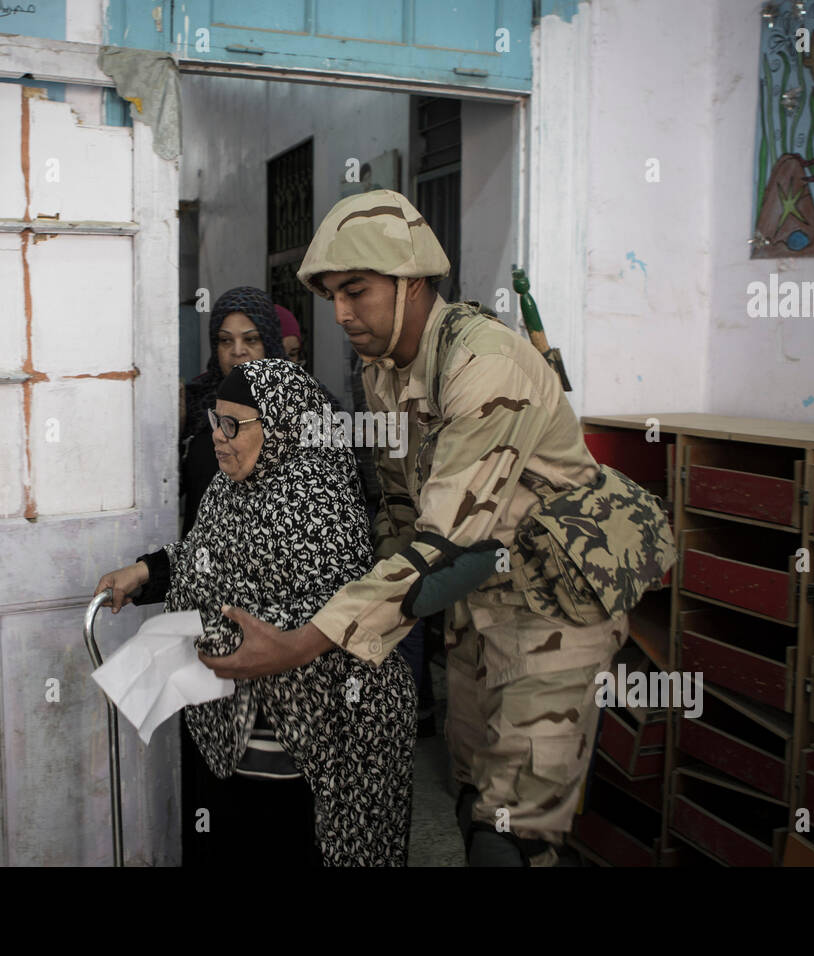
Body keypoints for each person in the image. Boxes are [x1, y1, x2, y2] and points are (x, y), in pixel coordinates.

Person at [200, 190, 674, 867]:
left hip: (557, 614)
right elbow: (400, 508)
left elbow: (445, 542)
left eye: (356, 292)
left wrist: (306, 642)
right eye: (332, 295)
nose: (339, 314)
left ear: (412, 283)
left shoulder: (486, 368)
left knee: (508, 838)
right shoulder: (384, 369)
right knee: (472, 797)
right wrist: (346, 617)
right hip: (477, 602)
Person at [96, 359, 416, 866]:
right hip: (242, 731)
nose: (219, 438)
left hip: (315, 746)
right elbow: (208, 558)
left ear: (284, 422)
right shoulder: (229, 488)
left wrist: (203, 625)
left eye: (234, 425)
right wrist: (146, 573)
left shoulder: (319, 498)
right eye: (214, 422)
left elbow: (318, 619)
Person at [180, 287, 285, 536]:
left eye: (251, 339)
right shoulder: (196, 403)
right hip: (199, 560)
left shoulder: (301, 404)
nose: (237, 350)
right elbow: (170, 489)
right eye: (225, 340)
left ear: (268, 342)